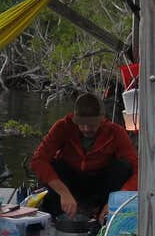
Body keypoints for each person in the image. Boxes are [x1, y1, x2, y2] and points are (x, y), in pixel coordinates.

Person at [30, 92, 138, 225]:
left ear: (102, 119)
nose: (86, 129)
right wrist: (63, 192)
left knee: (123, 167)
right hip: (70, 184)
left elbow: (137, 170)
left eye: (91, 124)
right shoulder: (62, 127)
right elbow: (38, 160)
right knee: (55, 166)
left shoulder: (116, 133)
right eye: (81, 124)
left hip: (100, 186)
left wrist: (116, 201)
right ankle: (57, 217)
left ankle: (103, 216)